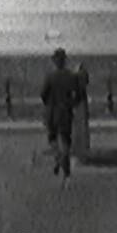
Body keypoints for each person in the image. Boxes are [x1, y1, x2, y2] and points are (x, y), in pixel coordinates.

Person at [40, 48, 85, 183]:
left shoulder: (50, 76)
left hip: (52, 112)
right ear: (65, 61)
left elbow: (43, 95)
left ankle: (59, 157)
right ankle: (66, 170)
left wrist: (49, 102)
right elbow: (79, 94)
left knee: (52, 139)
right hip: (66, 112)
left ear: (54, 61)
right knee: (65, 140)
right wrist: (72, 104)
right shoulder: (71, 76)